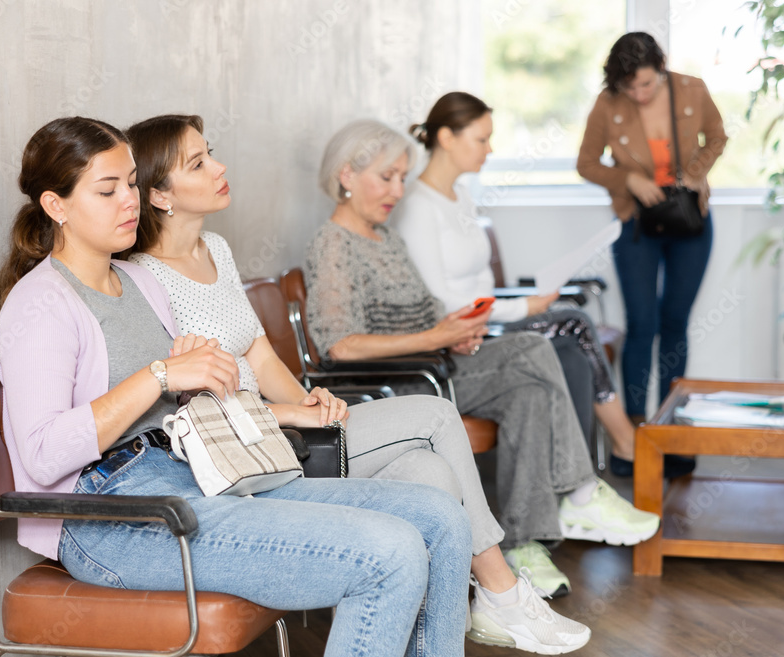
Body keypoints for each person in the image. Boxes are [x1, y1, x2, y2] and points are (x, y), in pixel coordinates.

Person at [0, 116, 472, 657]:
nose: (129, 200)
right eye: (108, 190)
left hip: (195, 476)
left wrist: (282, 411)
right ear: (56, 206)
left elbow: (186, 405)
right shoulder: (40, 305)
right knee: (390, 551)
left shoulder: (140, 281)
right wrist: (158, 377)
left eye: (130, 182)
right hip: (116, 514)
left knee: (441, 520)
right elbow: (41, 454)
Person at [122, 114, 590, 654]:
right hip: (245, 452)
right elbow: (187, 409)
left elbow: (256, 351)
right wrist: (294, 414)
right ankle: (501, 591)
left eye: (212, 153)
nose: (220, 167)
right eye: (199, 163)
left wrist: (307, 398)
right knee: (436, 414)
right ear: (159, 194)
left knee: (431, 473)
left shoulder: (217, 251)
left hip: (287, 431)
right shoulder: (143, 279)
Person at [306, 118, 662, 599]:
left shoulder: (383, 236)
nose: (397, 189)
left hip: (433, 363)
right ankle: (578, 490)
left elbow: (425, 311)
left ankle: (523, 544)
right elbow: (340, 346)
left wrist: (455, 332)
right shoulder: (333, 244)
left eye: (402, 177)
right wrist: (436, 334)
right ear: (346, 175)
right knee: (535, 347)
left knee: (530, 393)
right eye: (386, 176)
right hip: (400, 383)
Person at [394, 91, 694, 480]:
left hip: (484, 322)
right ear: (448, 138)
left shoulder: (462, 197)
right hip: (458, 338)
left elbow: (481, 282)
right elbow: (442, 301)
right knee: (572, 323)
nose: (490, 148)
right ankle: (623, 444)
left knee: (571, 351)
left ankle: (579, 483)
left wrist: (524, 303)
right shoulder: (418, 205)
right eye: (481, 139)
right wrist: (524, 308)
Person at [577, 32, 727, 428]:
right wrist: (628, 179)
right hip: (636, 226)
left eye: (646, 83)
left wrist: (694, 174)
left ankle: (673, 426)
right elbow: (586, 163)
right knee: (642, 324)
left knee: (675, 322)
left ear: (661, 68)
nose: (639, 93)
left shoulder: (692, 89)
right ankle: (636, 431)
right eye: (630, 86)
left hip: (688, 220)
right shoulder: (607, 104)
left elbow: (717, 136)